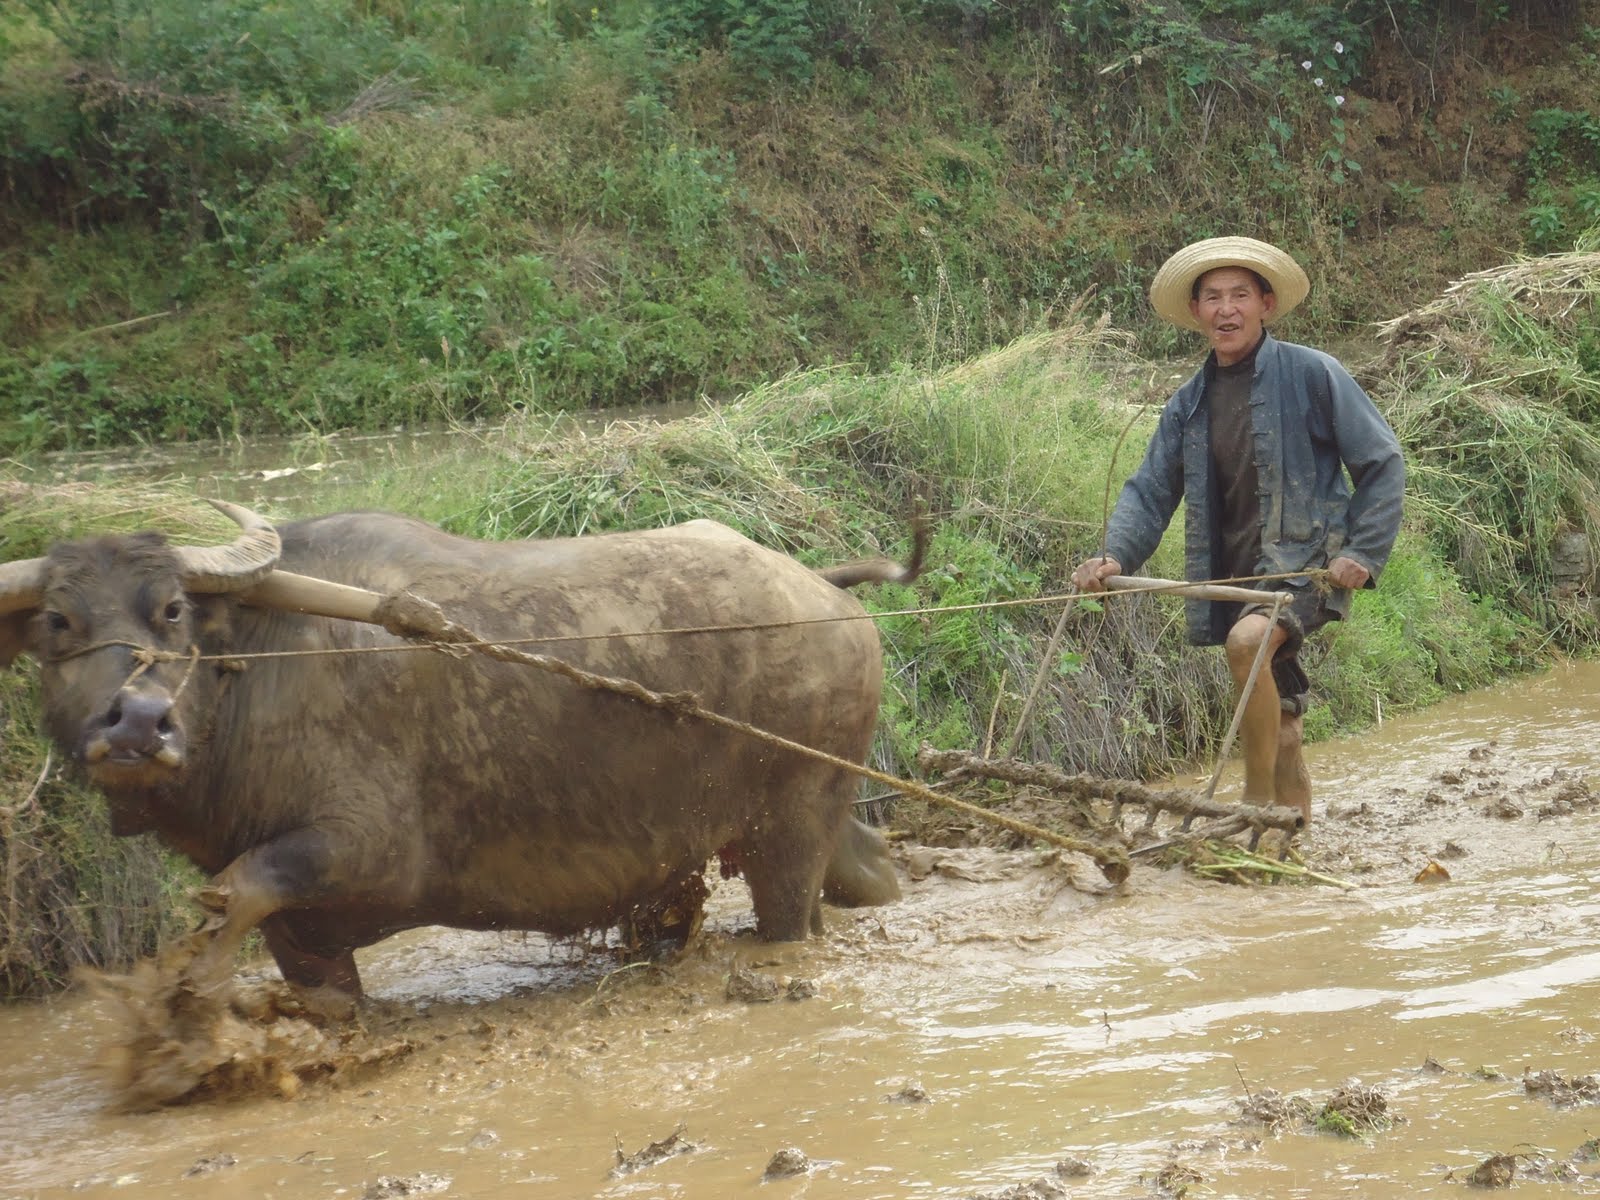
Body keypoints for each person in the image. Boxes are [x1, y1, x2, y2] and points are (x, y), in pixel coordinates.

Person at [1072, 236, 1404, 823]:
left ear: (1265, 305)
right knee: (1283, 730)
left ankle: (1252, 805)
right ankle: (1290, 846)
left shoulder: (1313, 375)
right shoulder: (1188, 404)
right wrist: (1112, 556)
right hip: (1232, 575)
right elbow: (1150, 490)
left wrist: (1363, 552)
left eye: (1240, 295)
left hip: (1308, 566)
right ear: (1197, 312)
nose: (1227, 309)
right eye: (1213, 298)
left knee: (1248, 643)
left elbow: (1381, 463)